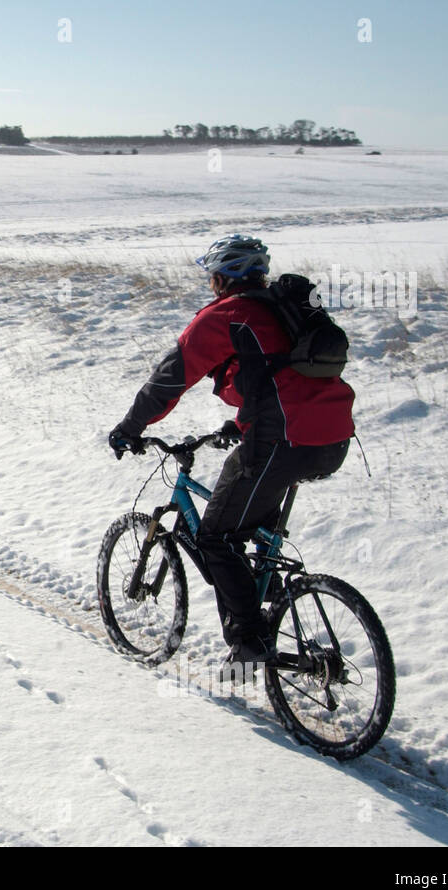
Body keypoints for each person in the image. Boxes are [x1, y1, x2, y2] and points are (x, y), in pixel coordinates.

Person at [108, 235, 355, 664]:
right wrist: (244, 421)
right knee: (247, 521)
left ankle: (249, 642)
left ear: (223, 277)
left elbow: (170, 377)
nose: (210, 284)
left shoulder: (227, 315)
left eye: (212, 276)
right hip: (331, 439)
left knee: (214, 537)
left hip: (279, 440)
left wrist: (130, 428)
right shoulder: (282, 310)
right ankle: (273, 598)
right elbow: (280, 378)